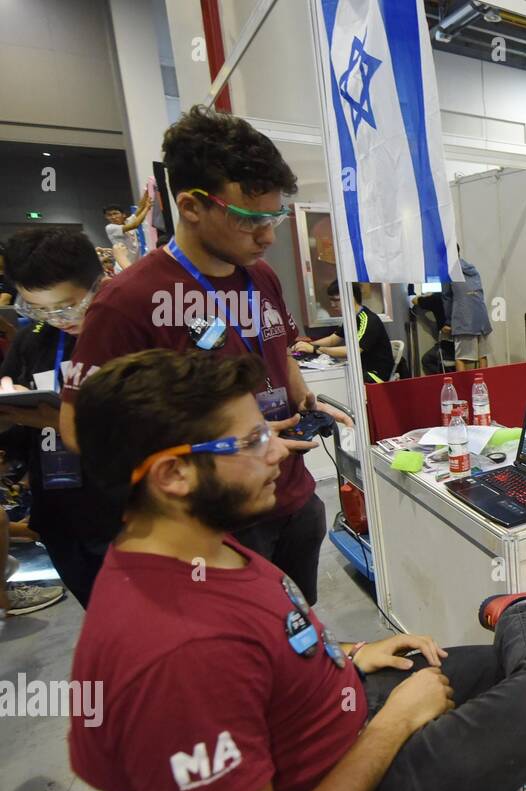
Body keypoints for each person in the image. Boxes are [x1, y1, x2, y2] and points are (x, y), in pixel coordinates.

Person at [67, 348, 526, 791]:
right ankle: (525, 614)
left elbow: (268, 658)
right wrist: (391, 726)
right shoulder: (175, 656)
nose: (282, 449)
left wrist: (348, 652)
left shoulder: (195, 546)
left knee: (519, 674)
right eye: (252, 442)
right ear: (172, 476)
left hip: (345, 710)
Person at [60, 105, 342, 605]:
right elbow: (80, 428)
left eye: (273, 216)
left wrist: (303, 399)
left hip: (293, 498)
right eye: (250, 219)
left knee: (297, 640)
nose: (268, 236)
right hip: (215, 527)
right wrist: (222, 443)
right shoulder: (128, 301)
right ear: (191, 206)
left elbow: (281, 354)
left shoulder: (262, 276)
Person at [0, 228, 121, 607]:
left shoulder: (127, 334)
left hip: (124, 512)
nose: (57, 318)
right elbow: (18, 432)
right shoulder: (33, 340)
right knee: (99, 615)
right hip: (60, 512)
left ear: (98, 283)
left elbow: (152, 429)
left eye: (68, 306)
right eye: (38, 309)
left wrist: (55, 420)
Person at [292, 281, 394, 383]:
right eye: (330, 300)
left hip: (375, 375)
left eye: (336, 300)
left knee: (333, 380)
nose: (332, 304)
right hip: (360, 369)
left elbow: (352, 351)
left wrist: (315, 349)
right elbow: (332, 339)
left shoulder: (367, 319)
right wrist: (308, 344)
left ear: (351, 298)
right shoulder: (351, 318)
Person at [445, 250, 492, 371]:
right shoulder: (472, 269)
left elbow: (446, 297)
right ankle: (483, 386)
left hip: (464, 318)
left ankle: (462, 389)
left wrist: (448, 322)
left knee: (460, 357)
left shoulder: (447, 271)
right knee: (482, 355)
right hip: (481, 318)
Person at [103, 192, 152, 270]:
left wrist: (146, 193)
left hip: (133, 265)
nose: (113, 217)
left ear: (123, 215)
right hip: (122, 268)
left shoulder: (127, 222)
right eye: (109, 215)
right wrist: (147, 208)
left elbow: (139, 209)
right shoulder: (110, 228)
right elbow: (135, 225)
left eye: (115, 213)